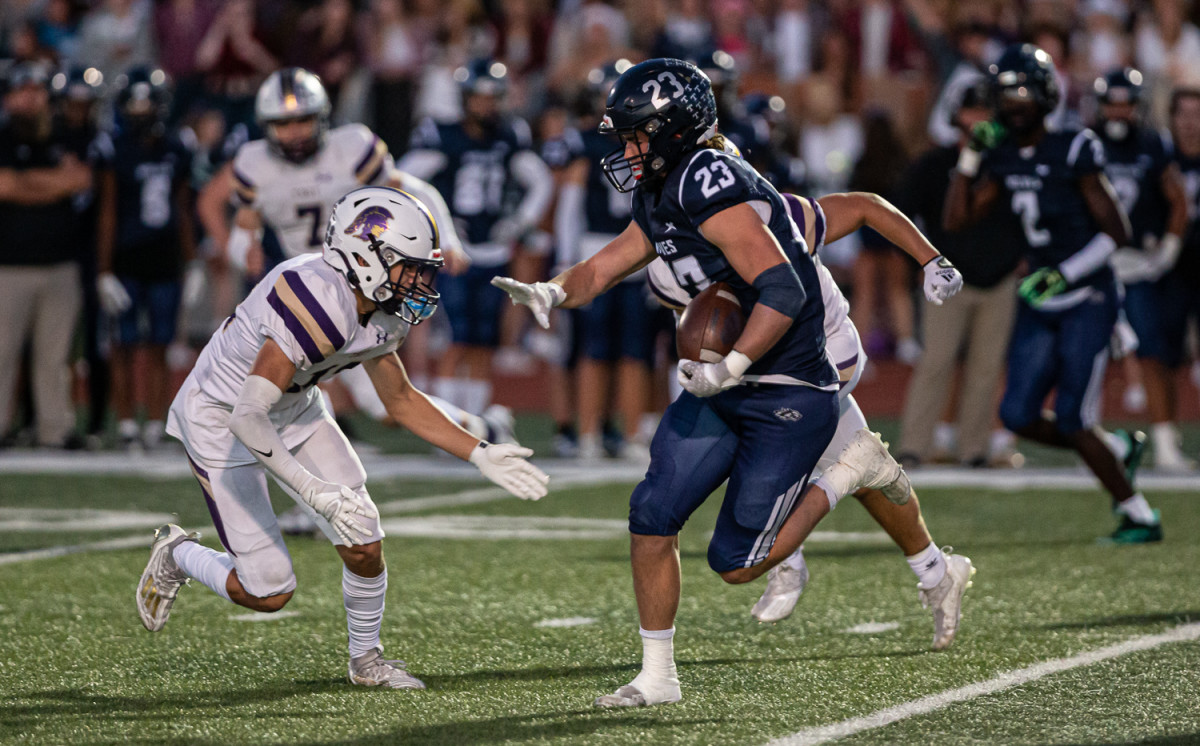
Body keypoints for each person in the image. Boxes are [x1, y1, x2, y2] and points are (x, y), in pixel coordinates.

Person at [494, 58, 943, 707]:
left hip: (791, 373)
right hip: (725, 376)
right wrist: (550, 290)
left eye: (634, 135)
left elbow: (785, 287)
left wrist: (728, 366)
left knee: (737, 560)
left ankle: (848, 477)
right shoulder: (665, 189)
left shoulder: (714, 185)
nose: (624, 150)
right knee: (652, 510)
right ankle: (658, 675)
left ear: (673, 133)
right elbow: (604, 266)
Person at [136, 186, 549, 690]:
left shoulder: (384, 307)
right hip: (222, 415)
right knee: (268, 591)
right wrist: (315, 494)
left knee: (363, 538)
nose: (419, 280)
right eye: (410, 266)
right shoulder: (315, 299)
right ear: (367, 258)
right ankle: (177, 553)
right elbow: (247, 417)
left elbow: (399, 399)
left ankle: (366, 660)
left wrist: (478, 452)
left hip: (294, 406)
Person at [647, 186, 972, 644]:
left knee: (780, 444)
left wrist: (930, 259)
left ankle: (783, 554)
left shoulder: (774, 216)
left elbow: (864, 206)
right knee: (847, 459)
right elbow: (695, 319)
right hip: (753, 366)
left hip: (822, 355)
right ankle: (937, 572)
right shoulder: (670, 261)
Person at [944, 44, 1162, 544]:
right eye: (1005, 93)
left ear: (1045, 93)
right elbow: (957, 220)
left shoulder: (1074, 146)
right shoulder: (999, 153)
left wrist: (1066, 272)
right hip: (1041, 299)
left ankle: (1139, 513)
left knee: (1072, 416)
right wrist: (972, 155)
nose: (1014, 102)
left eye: (1022, 91)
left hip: (1087, 296)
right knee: (1018, 414)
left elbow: (1116, 231)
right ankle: (1114, 446)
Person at [398, 59, 552, 416]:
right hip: (458, 252)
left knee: (485, 341)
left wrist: (520, 222)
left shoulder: (510, 134)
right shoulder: (442, 134)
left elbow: (540, 180)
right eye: (479, 98)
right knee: (457, 338)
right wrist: (437, 224)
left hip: (496, 250)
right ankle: (449, 422)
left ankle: (474, 421)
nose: (485, 105)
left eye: (491, 98)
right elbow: (404, 177)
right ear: (465, 98)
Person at [897, 78, 1025, 468]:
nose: (978, 119)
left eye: (986, 111)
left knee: (986, 369)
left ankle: (973, 448)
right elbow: (898, 214)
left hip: (998, 279)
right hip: (947, 280)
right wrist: (920, 263)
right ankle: (913, 446)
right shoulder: (934, 165)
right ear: (957, 116)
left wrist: (1023, 257)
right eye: (972, 110)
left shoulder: (1009, 163)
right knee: (936, 360)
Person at [94, 67, 201, 451]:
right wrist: (104, 269)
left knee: (159, 344)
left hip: (164, 257)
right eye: (134, 103)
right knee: (122, 344)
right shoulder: (112, 148)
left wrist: (192, 264)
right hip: (125, 257)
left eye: (145, 103)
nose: (139, 111)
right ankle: (125, 425)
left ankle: (155, 423)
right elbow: (106, 212)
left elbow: (184, 209)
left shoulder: (178, 146)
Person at [1094, 67, 1192, 470]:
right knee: (1085, 354)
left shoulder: (1152, 144)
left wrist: (1169, 247)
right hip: (1094, 266)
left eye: (1126, 104)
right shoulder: (1085, 142)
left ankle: (1166, 443)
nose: (1118, 112)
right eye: (1112, 104)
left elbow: (1179, 200)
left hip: (1136, 266)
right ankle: (1091, 440)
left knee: (1152, 353)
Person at [557, 60, 654, 461]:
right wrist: (566, 259)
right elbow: (570, 205)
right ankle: (589, 433)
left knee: (635, 352)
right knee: (593, 351)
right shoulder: (585, 142)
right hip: (595, 251)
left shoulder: (653, 138)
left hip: (641, 253)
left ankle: (631, 434)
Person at [0, 62, 93, 450]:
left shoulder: (67, 135)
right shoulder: (3, 136)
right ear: (9, 96)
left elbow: (81, 179)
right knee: (2, 353)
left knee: (54, 358)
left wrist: (26, 184)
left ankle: (54, 429)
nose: (31, 98)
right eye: (23, 91)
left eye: (37, 90)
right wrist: (53, 185)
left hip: (60, 263)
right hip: (9, 264)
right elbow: (4, 186)